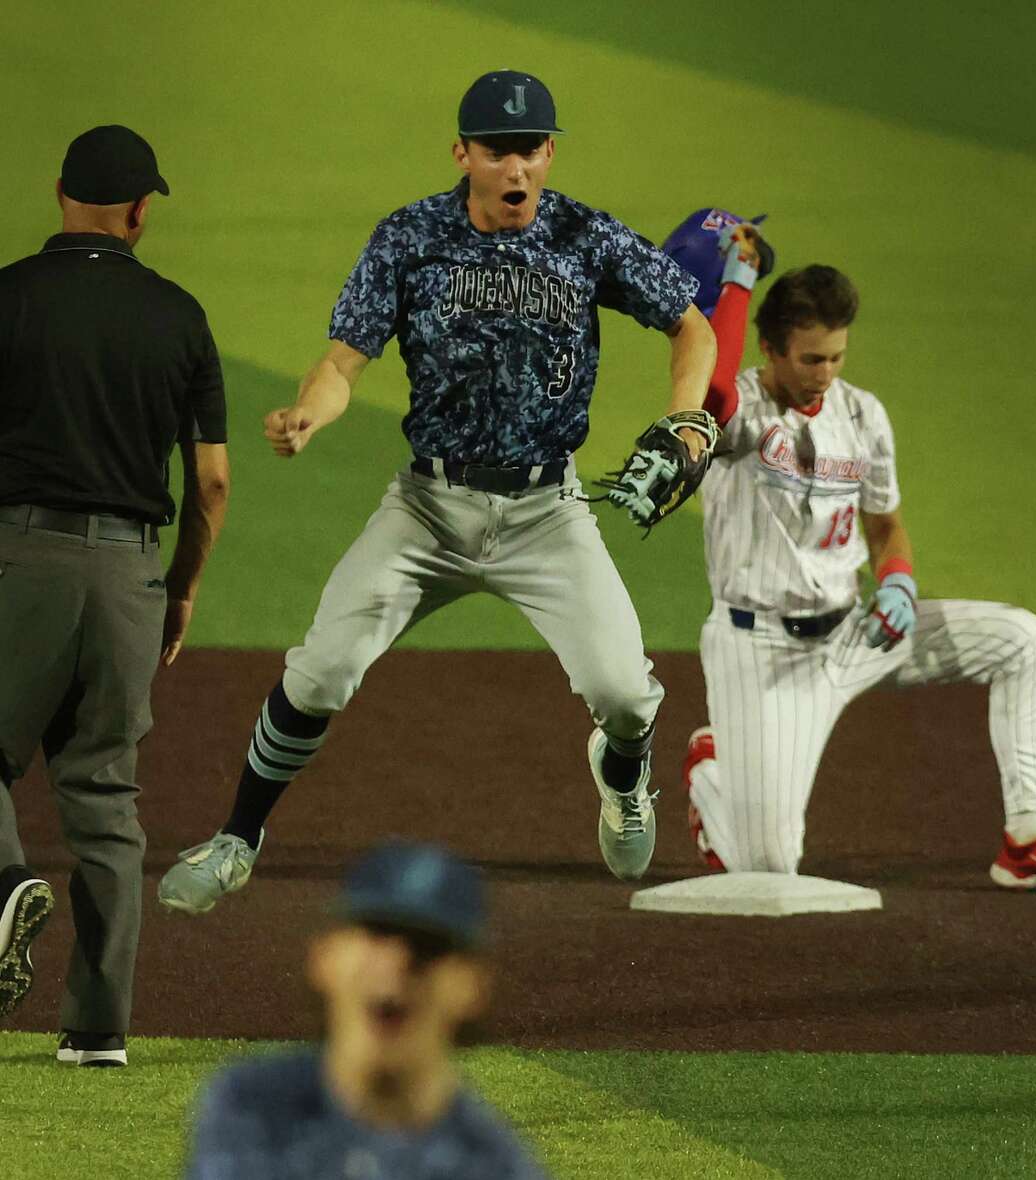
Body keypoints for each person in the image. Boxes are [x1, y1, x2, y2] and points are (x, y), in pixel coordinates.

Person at [158, 69, 716, 916]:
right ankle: (237, 837)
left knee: (627, 698)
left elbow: (692, 321)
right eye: (499, 150)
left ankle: (623, 775)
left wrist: (685, 421)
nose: (517, 167)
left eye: (532, 149)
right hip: (425, 510)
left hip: (545, 513)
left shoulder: (584, 237)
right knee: (319, 674)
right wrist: (310, 411)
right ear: (464, 153)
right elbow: (347, 358)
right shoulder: (410, 236)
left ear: (550, 153)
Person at [665, 213, 1036, 892]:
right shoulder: (742, 410)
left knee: (1022, 640)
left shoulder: (861, 414)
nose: (825, 373)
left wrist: (898, 582)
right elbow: (705, 394)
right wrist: (738, 279)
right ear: (770, 349)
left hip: (856, 633)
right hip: (762, 655)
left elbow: (885, 525)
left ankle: (1030, 839)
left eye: (836, 356)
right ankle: (717, 772)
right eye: (810, 359)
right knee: (769, 871)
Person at [0, 125, 230, 1064]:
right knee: (103, 794)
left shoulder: (8, 297)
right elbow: (211, 482)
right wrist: (177, 591)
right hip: (132, 574)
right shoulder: (179, 315)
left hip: (19, 558)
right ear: (141, 211)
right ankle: (97, 1029)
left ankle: (5, 886)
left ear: (60, 193)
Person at [185, 841, 551, 1178]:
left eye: (428, 946)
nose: (396, 962)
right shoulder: (251, 1113)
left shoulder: (496, 1169)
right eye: (376, 933)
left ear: (473, 987)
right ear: (324, 957)